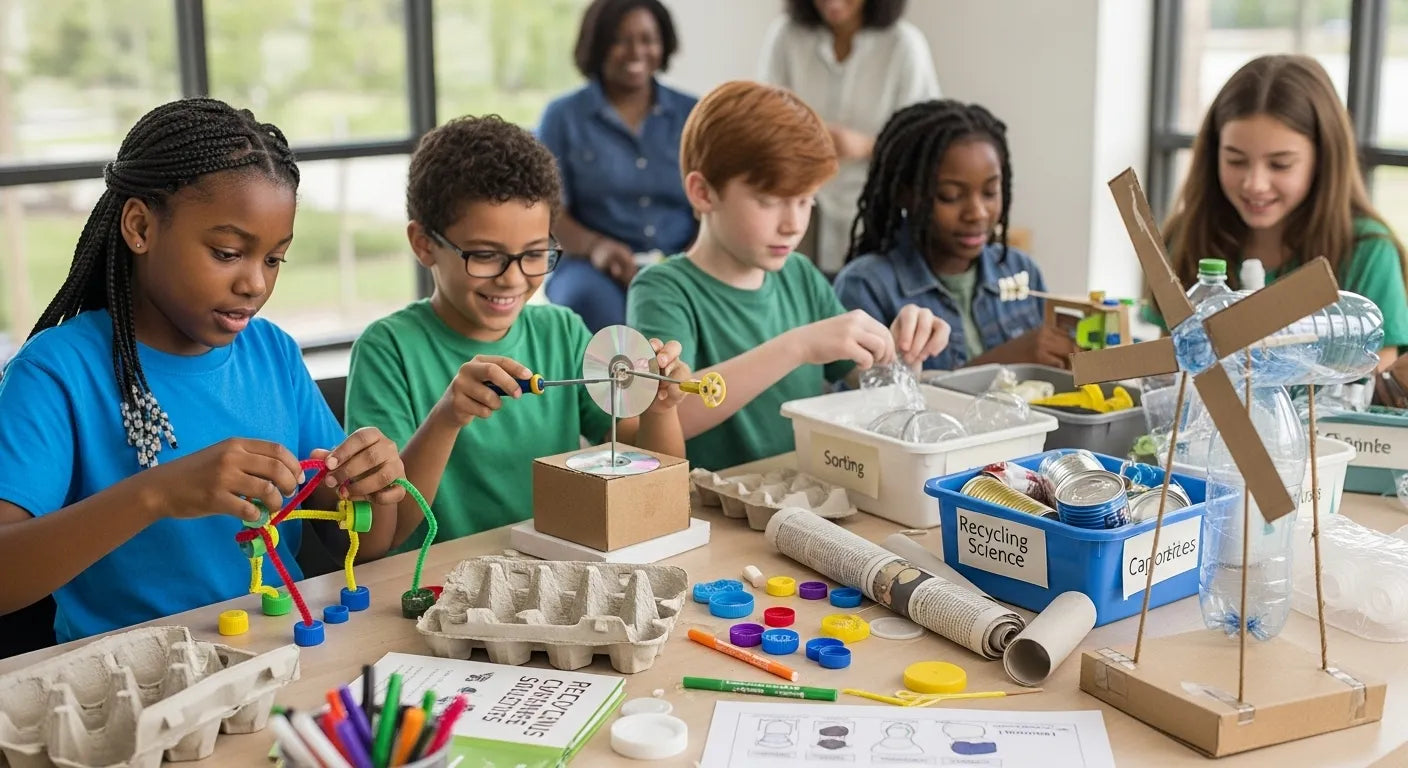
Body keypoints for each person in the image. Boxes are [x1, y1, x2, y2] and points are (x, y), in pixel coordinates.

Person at [0, 99, 410, 642]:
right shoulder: (57, 372)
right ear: (140, 226)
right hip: (132, 682)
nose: (255, 284)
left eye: (273, 259)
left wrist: (373, 484)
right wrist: (157, 494)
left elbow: (358, 540)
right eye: (226, 252)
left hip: (281, 655)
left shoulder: (273, 354)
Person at [345, 115, 687, 548]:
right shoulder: (388, 350)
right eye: (486, 255)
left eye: (535, 254)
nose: (512, 279)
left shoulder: (561, 331)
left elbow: (653, 477)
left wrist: (658, 407)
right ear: (424, 244)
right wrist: (448, 417)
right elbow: (384, 538)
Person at [627, 81, 949, 470]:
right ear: (703, 193)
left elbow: (867, 389)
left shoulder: (799, 275)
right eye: (769, 202)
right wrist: (796, 348)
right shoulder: (663, 289)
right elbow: (668, 416)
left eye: (805, 200)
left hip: (801, 500)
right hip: (712, 512)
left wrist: (902, 357)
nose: (793, 225)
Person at [1160, 54, 1408, 369]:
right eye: (1235, 160)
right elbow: (1167, 374)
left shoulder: (1368, 252)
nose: (1255, 184)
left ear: (1323, 160)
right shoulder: (1188, 236)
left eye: (1280, 164)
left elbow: (1374, 388)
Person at [835, 100, 1073, 370]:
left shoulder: (1020, 270)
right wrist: (1006, 359)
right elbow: (860, 405)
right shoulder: (867, 286)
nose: (977, 213)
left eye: (990, 193)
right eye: (951, 196)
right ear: (906, 194)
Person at [537, 0, 698, 331]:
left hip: (684, 257)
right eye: (620, 40)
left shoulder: (692, 113)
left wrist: (693, 258)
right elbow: (548, 211)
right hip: (589, 263)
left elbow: (714, 200)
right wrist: (597, 248)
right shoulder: (562, 117)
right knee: (594, 307)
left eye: (647, 39)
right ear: (597, 45)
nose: (635, 51)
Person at [759, 0, 940, 275]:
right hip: (797, 203)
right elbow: (762, 118)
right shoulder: (785, 37)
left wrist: (865, 146)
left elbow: (924, 141)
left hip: (874, 209)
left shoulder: (904, 44)